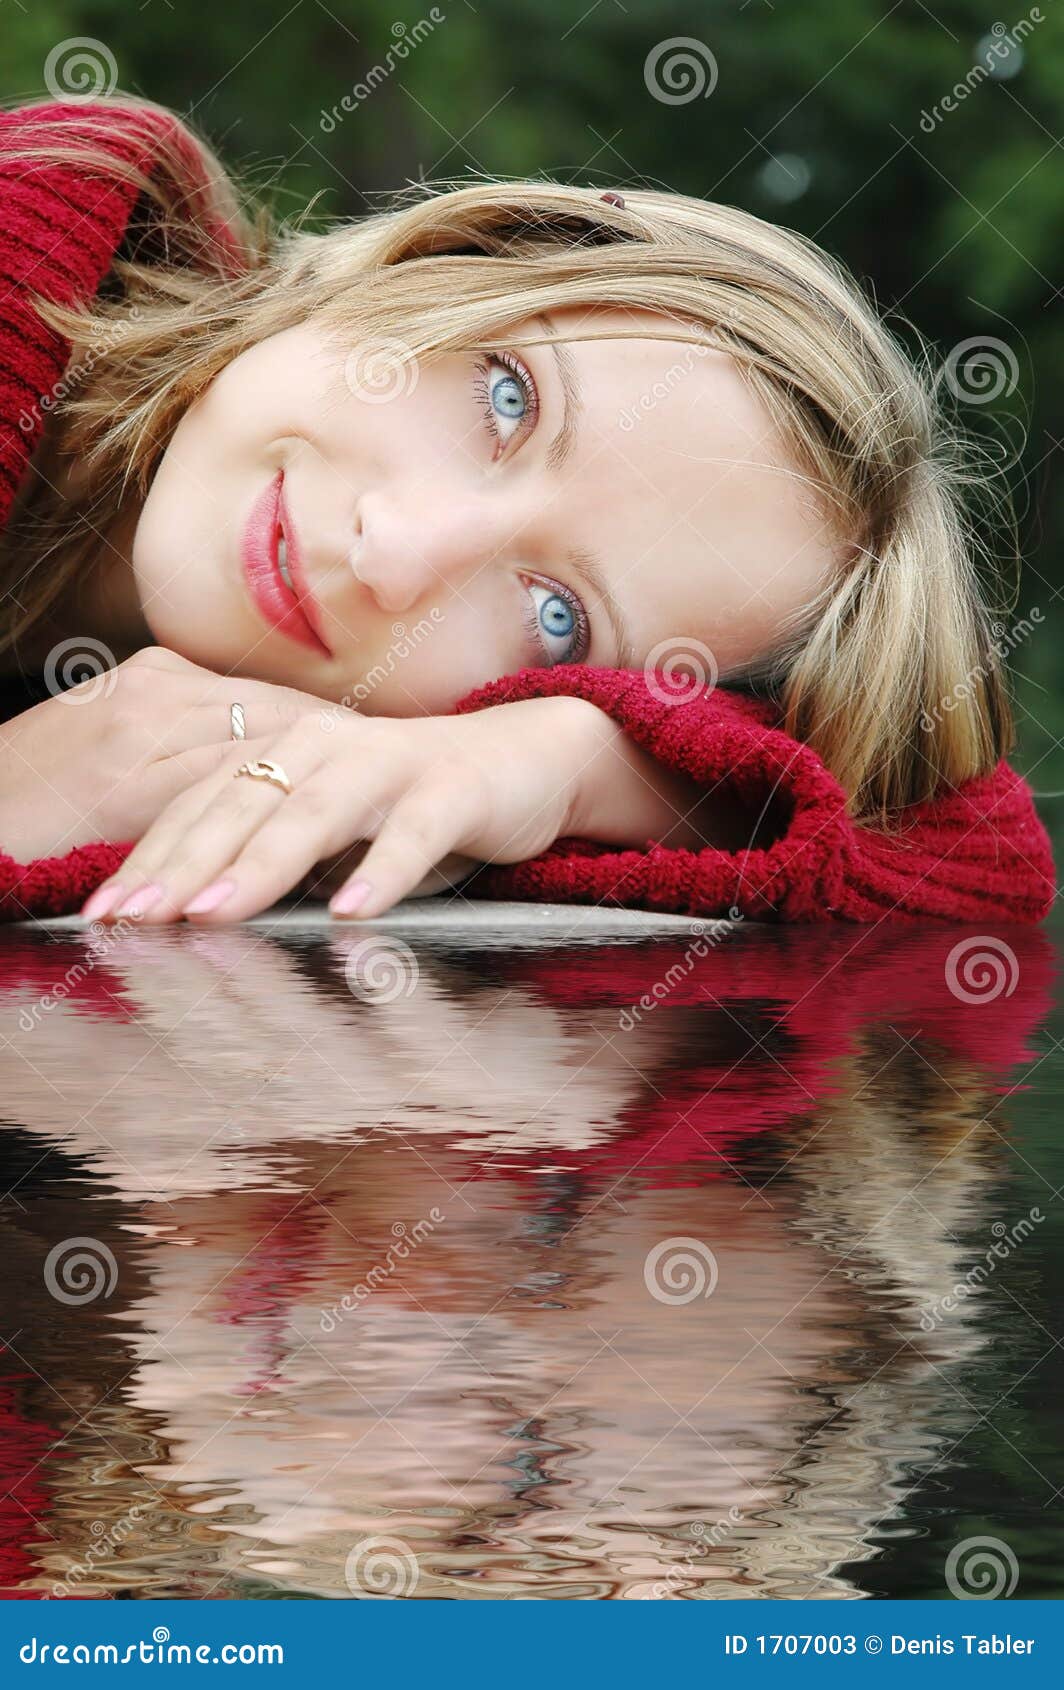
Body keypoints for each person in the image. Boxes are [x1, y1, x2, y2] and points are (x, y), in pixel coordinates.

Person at [0, 94, 1053, 926]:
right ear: (451, 258)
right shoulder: (42, 221)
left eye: (556, 617)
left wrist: (565, 762)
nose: (395, 553)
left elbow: (978, 857)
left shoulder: (515, 730)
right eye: (507, 400)